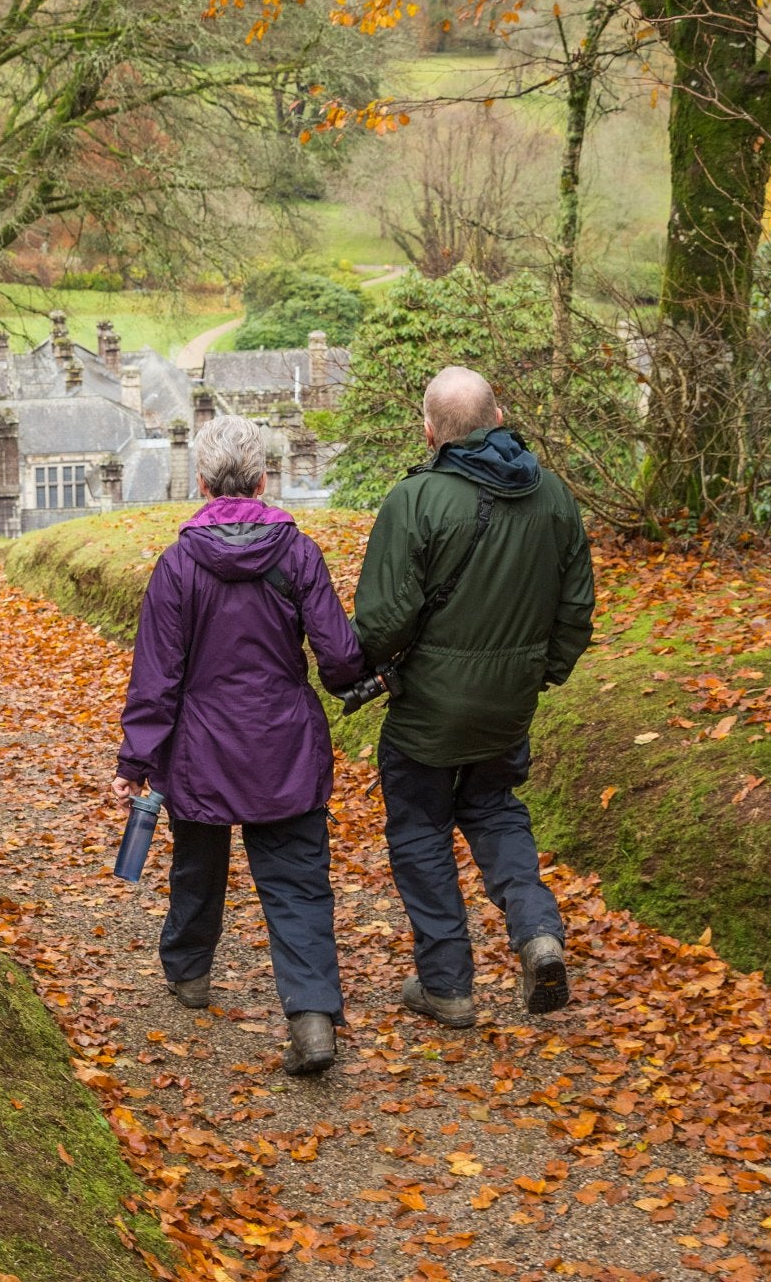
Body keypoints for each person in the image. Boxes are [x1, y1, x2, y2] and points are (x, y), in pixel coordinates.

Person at [115, 415, 366, 1075]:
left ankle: (189, 972)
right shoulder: (298, 554)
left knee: (198, 862)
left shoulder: (178, 566)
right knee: (297, 883)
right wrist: (360, 674)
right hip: (284, 742)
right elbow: (339, 656)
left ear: (201, 482)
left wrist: (136, 759)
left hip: (200, 746)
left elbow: (157, 676)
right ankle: (312, 1016)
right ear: (262, 480)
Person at [351, 366, 594, 1029]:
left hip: (426, 711)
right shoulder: (554, 496)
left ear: (429, 432)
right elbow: (576, 609)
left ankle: (447, 987)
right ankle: (538, 933)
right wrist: (538, 674)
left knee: (419, 830)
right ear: (499, 417)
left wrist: (358, 668)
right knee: (494, 809)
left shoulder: (415, 500)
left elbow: (383, 621)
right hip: (508, 706)